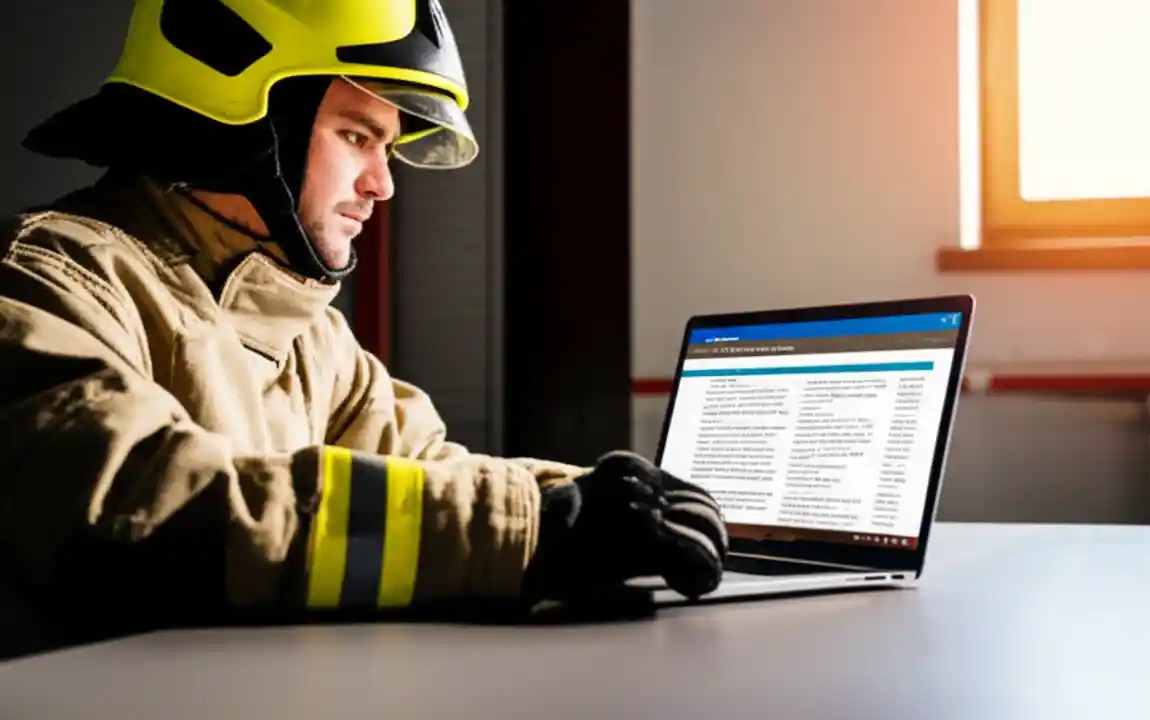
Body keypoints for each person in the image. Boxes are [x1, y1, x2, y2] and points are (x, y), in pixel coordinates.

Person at [0, 0, 726, 657]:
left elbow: (424, 473)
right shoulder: (49, 279)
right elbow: (132, 508)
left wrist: (609, 500)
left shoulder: (308, 337)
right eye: (357, 136)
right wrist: (536, 528)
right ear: (239, 123)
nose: (383, 183)